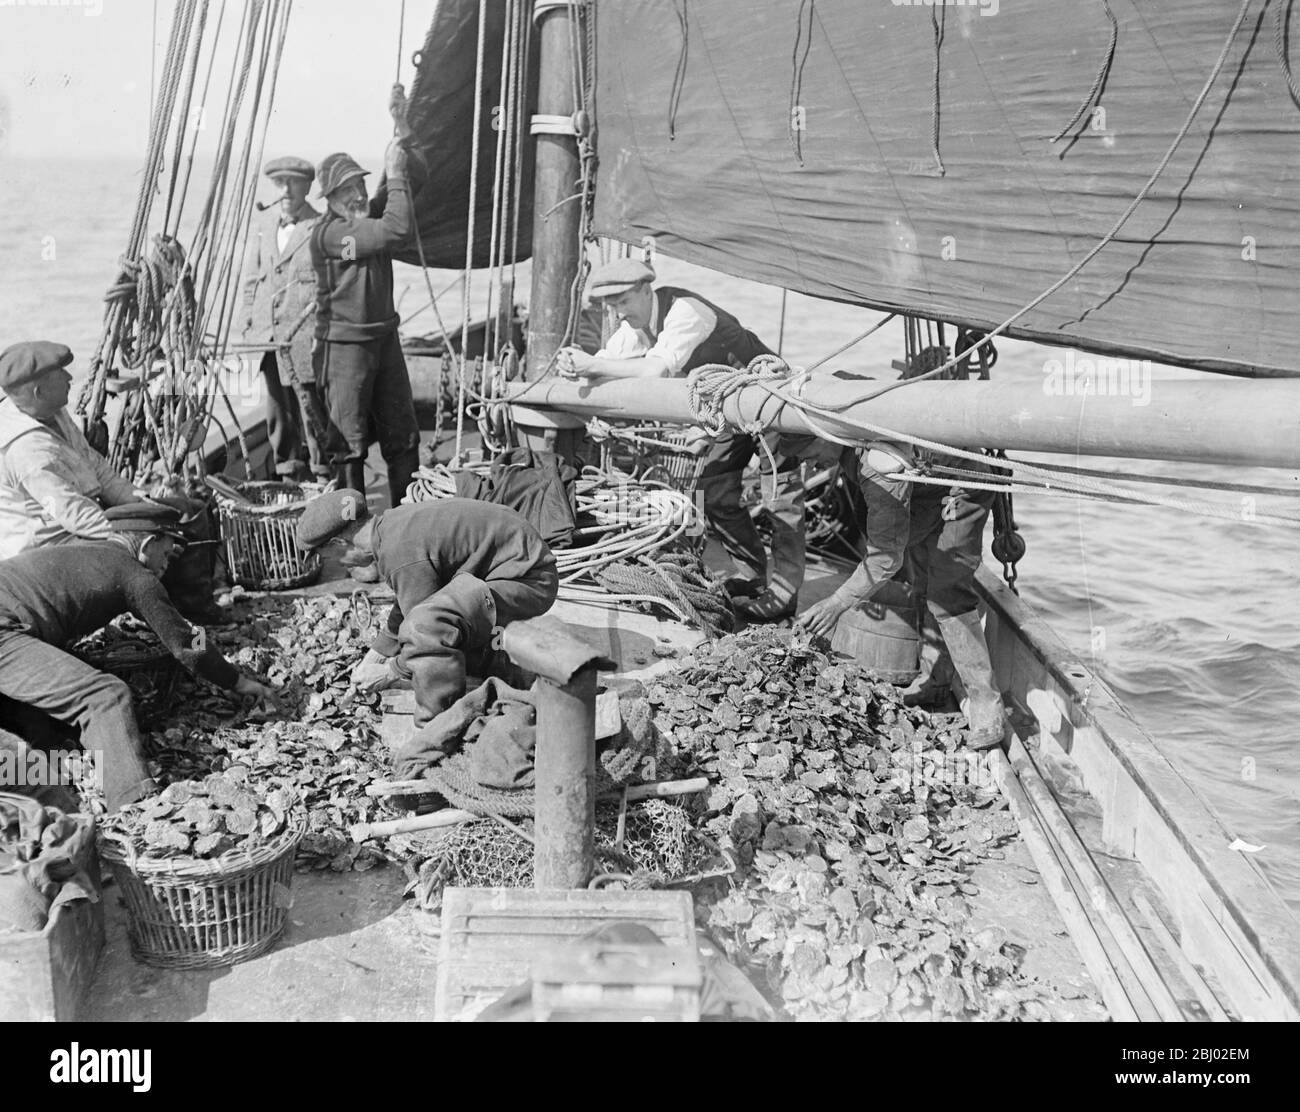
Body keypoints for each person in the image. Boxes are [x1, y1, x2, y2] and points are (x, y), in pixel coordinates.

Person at [556, 258, 831, 620]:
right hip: (726, 411)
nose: (619, 313)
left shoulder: (685, 311)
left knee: (779, 497)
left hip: (766, 398)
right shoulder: (635, 326)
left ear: (644, 290)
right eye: (612, 306)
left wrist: (593, 367)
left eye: (623, 302)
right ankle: (751, 576)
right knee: (714, 491)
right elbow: (607, 361)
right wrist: (577, 366)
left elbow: (655, 370)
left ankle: (784, 596)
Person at [0, 504, 274, 811]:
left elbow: (176, 625)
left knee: (38, 723)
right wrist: (235, 680)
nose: (167, 565)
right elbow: (187, 642)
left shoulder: (86, 552)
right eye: (168, 554)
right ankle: (137, 811)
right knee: (105, 696)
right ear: (147, 543)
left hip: (10, 623)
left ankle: (47, 799)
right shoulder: (135, 575)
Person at [794, 442, 1006, 749]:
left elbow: (884, 559)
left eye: (810, 455)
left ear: (827, 440)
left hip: (961, 488)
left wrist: (836, 604)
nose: (811, 467)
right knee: (920, 576)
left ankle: (986, 704)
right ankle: (934, 682)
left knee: (947, 590)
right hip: (924, 493)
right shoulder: (848, 449)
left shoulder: (878, 464)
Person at [295, 489, 558, 726]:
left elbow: (422, 629)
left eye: (326, 557)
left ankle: (436, 729)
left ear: (337, 543)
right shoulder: (391, 528)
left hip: (528, 581)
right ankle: (500, 673)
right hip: (508, 573)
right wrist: (375, 655)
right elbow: (409, 601)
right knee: (441, 623)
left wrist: (389, 672)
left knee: (430, 628)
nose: (337, 566)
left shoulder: (399, 552)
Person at [0, 341, 220, 620]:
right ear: (38, 391)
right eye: (62, 374)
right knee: (153, 537)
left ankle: (191, 608)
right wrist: (139, 534)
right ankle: (163, 617)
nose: (70, 379)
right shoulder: (28, 451)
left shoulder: (48, 410)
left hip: (85, 520)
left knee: (185, 511)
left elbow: (96, 466)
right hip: (51, 551)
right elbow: (76, 516)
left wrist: (141, 500)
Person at [309, 85, 422, 506]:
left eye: (360, 184)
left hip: (384, 342)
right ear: (330, 201)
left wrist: (404, 129)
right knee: (349, 446)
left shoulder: (363, 219)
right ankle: (354, 540)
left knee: (403, 436)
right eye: (346, 190)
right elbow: (396, 228)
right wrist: (393, 175)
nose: (357, 194)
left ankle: (407, 527)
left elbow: (416, 178)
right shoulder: (333, 235)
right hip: (344, 350)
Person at [239, 155, 331, 482]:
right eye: (280, 183)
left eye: (294, 183)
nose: (287, 190)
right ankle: (288, 473)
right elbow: (252, 280)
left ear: (307, 187)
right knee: (278, 411)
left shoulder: (319, 227)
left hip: (304, 339)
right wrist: (247, 326)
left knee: (312, 410)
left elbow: (328, 286)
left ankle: (323, 475)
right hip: (268, 338)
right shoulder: (264, 228)